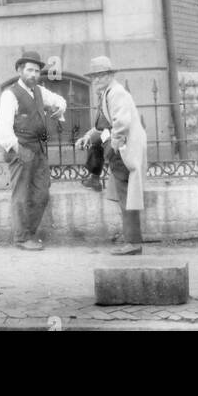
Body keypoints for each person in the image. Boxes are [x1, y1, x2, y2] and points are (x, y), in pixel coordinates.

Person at [75, 55, 148, 255]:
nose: (96, 80)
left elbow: (121, 123)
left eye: (101, 75)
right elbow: (102, 126)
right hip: (120, 150)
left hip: (123, 151)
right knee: (125, 196)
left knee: (127, 197)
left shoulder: (116, 93)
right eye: (94, 77)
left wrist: (115, 146)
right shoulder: (107, 93)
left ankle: (133, 243)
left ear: (110, 75)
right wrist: (89, 137)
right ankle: (131, 241)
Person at [0, 51, 68, 250]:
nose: (34, 75)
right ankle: (21, 238)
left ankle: (30, 234)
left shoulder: (39, 91)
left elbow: (59, 101)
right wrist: (18, 149)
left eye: (37, 71)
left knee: (41, 193)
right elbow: (3, 127)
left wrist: (59, 109)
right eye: (29, 70)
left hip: (39, 150)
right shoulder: (10, 94)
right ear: (20, 71)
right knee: (21, 195)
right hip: (20, 151)